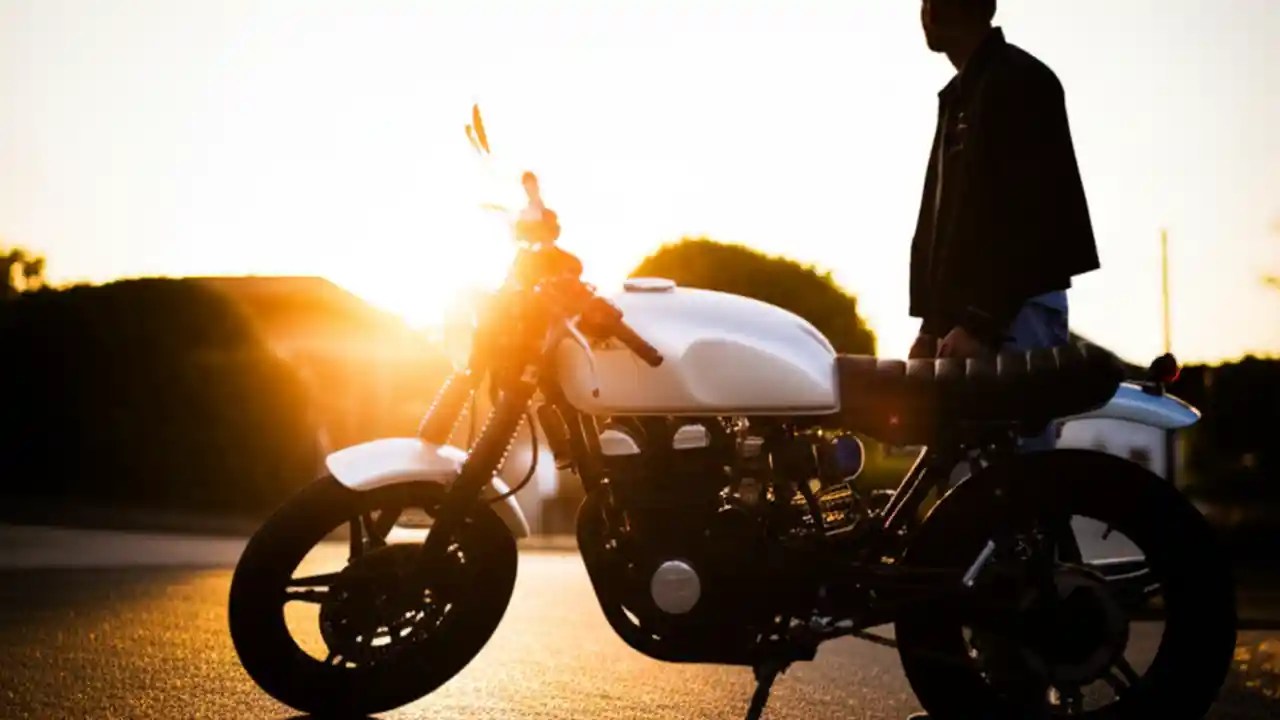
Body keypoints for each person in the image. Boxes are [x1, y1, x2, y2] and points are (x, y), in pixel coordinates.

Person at [907, 0, 1099, 366]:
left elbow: (1034, 214)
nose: (926, 11)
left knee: (1015, 423)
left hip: (1015, 313)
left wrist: (982, 322)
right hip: (968, 323)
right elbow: (943, 225)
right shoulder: (960, 96)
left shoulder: (1021, 81)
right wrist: (930, 327)